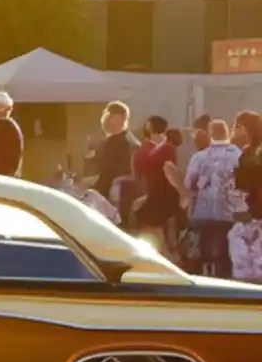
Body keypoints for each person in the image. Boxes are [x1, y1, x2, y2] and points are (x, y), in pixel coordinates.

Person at [185, 119, 241, 278]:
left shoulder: (199, 157)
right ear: (228, 133)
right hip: (232, 213)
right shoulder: (238, 155)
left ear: (210, 135)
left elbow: (189, 183)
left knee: (203, 250)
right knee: (226, 252)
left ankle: (204, 277)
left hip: (203, 212)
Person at [132, 115, 180, 257]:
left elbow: (137, 176)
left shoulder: (141, 152)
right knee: (163, 246)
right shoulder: (165, 151)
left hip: (148, 202)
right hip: (160, 204)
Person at [85, 101, 140, 224]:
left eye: (108, 116)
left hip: (116, 202)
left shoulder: (126, 143)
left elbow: (116, 173)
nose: (104, 119)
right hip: (106, 197)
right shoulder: (108, 142)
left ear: (119, 119)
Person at [229, 111, 262, 281]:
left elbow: (242, 189)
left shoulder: (248, 155)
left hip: (254, 215)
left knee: (247, 267)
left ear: (244, 128)